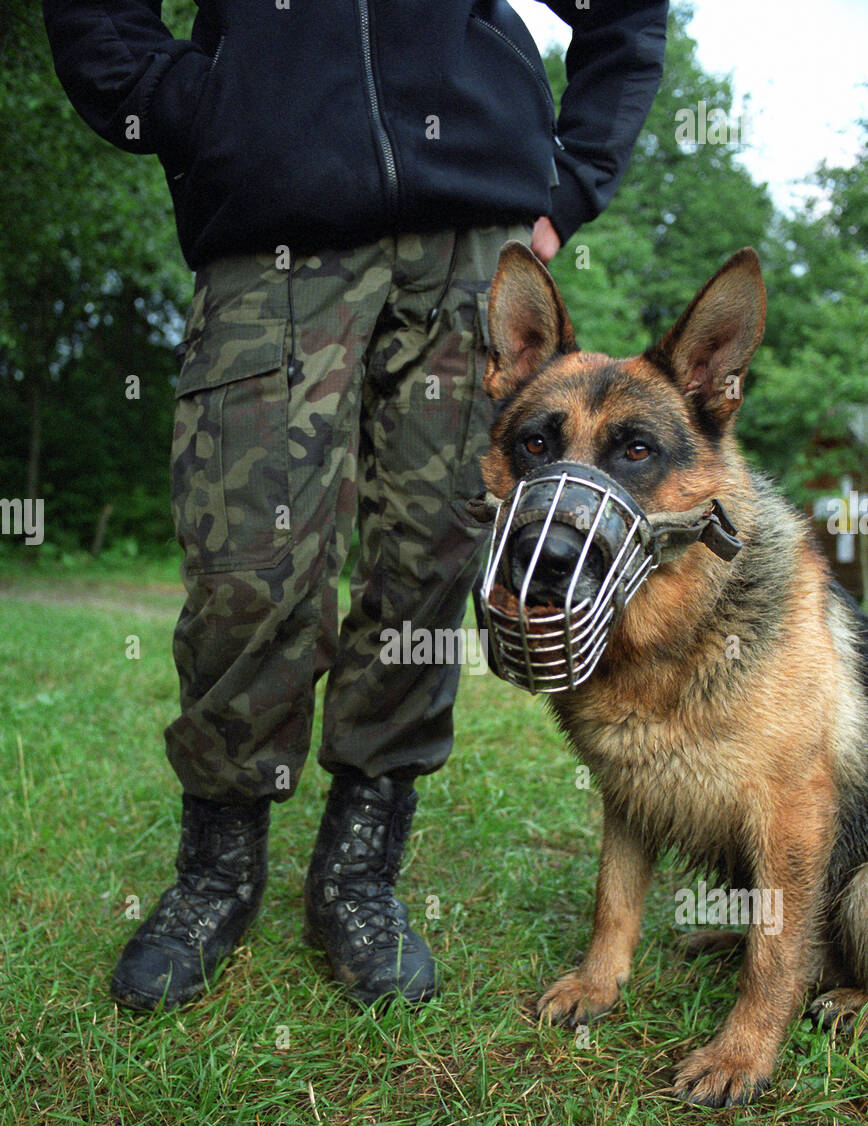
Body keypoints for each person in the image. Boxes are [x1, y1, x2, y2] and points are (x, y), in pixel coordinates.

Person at [42, 0, 668, 1011]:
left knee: (426, 564)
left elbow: (625, 12)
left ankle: (359, 870)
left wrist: (575, 174)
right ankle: (218, 867)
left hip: (471, 243)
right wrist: (203, 105)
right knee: (248, 565)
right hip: (267, 236)